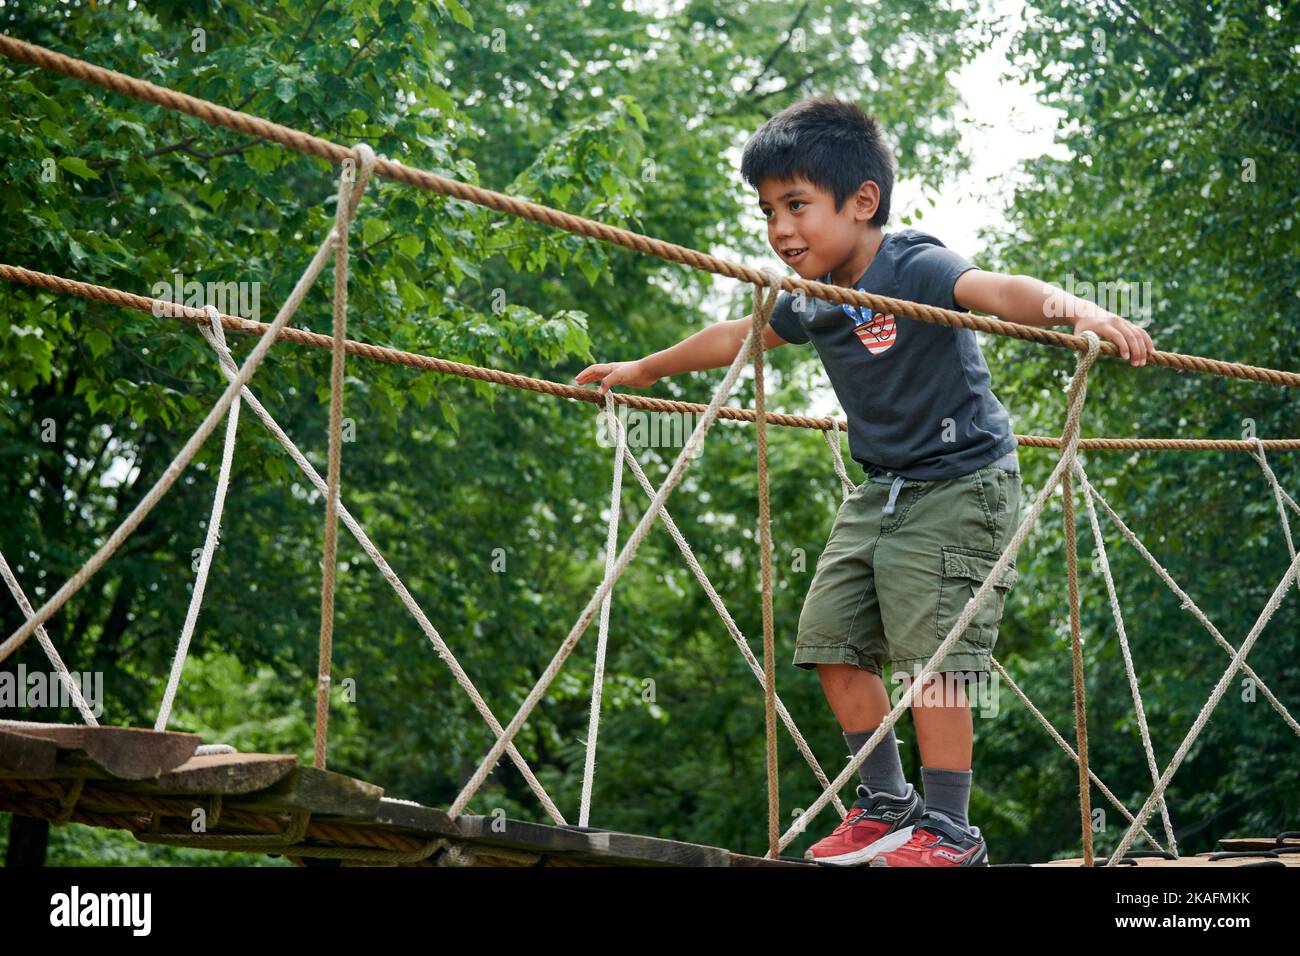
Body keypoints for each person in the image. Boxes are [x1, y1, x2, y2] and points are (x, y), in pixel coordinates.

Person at [574, 95, 1153, 866]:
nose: (779, 229)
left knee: (936, 657)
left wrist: (1073, 306)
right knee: (830, 638)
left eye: (796, 206)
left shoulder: (911, 264)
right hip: (881, 490)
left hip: (963, 483)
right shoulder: (812, 298)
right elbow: (739, 335)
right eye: (767, 211)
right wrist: (643, 368)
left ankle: (950, 830)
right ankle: (886, 803)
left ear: (862, 202)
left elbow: (996, 291)